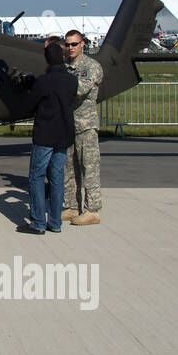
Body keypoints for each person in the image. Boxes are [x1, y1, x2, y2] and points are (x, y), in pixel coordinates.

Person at [17, 42, 77, 234]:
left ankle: (37, 222)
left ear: (47, 59)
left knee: (37, 177)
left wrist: (29, 87)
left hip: (45, 134)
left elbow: (29, 104)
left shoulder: (44, 81)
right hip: (64, 133)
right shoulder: (72, 80)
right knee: (57, 178)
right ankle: (55, 222)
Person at [62, 29, 104, 226]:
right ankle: (71, 206)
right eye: (68, 44)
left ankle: (92, 210)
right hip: (69, 125)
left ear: (82, 45)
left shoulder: (90, 67)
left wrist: (57, 84)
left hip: (85, 126)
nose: (70, 48)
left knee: (89, 168)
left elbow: (79, 89)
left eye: (74, 44)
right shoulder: (65, 66)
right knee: (69, 169)